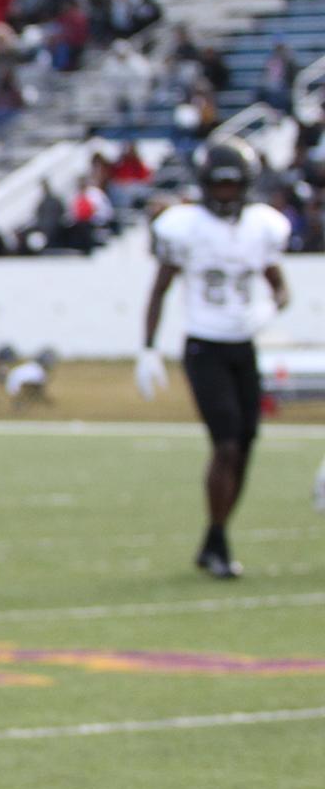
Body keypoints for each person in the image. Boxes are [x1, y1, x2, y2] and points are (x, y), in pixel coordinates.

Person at [137, 139, 289, 579]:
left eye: (232, 185)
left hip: (244, 345)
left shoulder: (262, 226)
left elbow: (280, 285)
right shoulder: (185, 227)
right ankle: (219, 540)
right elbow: (160, 288)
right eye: (218, 186)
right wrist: (147, 348)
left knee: (245, 447)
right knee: (225, 443)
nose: (225, 194)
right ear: (204, 186)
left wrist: (270, 307)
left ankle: (212, 538)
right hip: (204, 344)